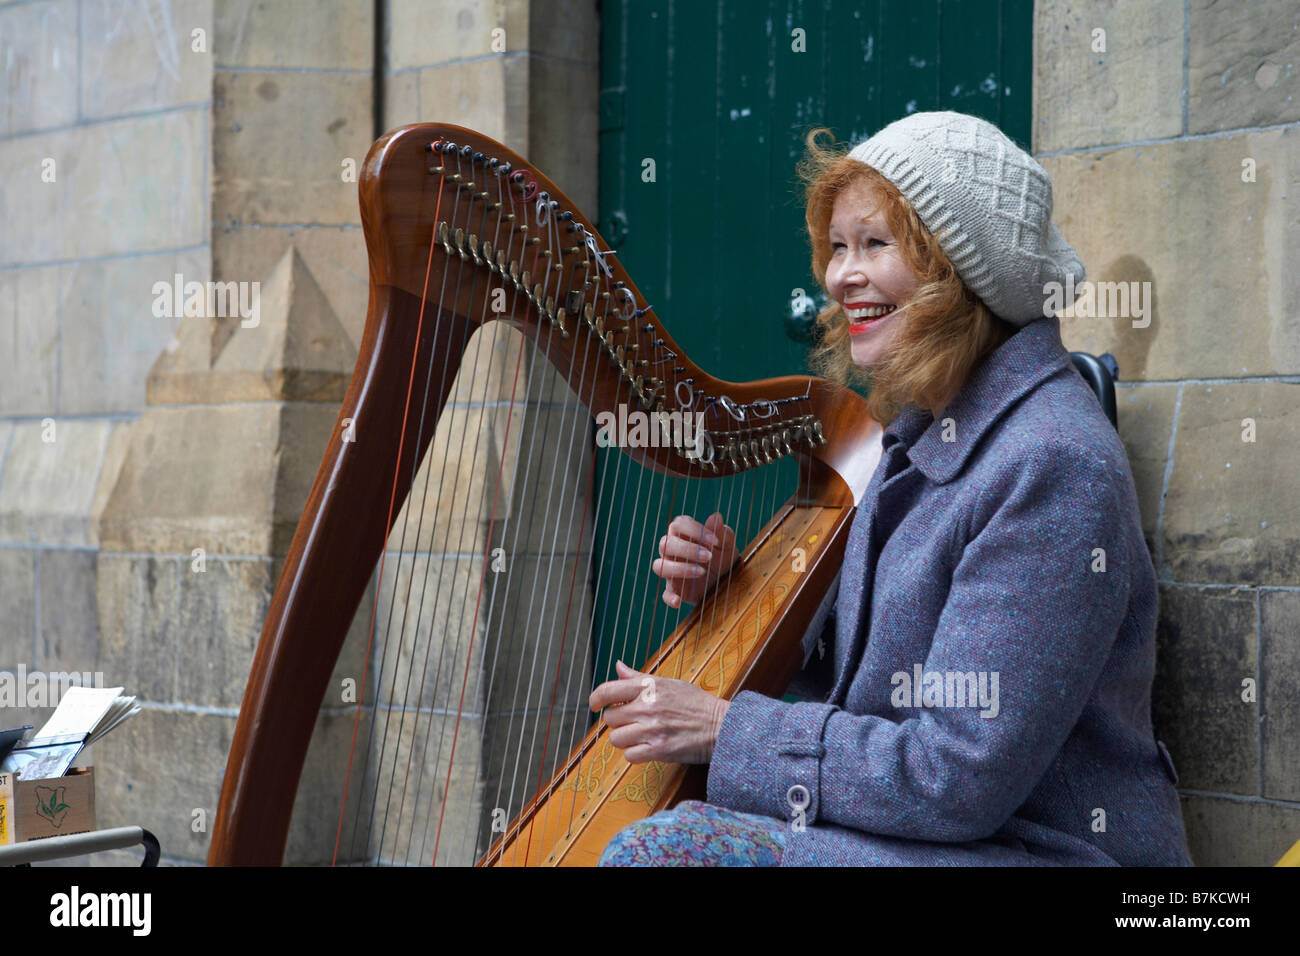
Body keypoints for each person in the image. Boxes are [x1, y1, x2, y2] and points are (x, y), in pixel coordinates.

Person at [588, 111, 1194, 867]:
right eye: (837, 248)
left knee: (673, 853)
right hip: (921, 838)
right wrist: (732, 586)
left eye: (875, 244)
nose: (841, 276)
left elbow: (953, 778)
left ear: (958, 269)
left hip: (1044, 848)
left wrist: (727, 729)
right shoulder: (923, 428)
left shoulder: (1053, 464)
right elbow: (878, 666)